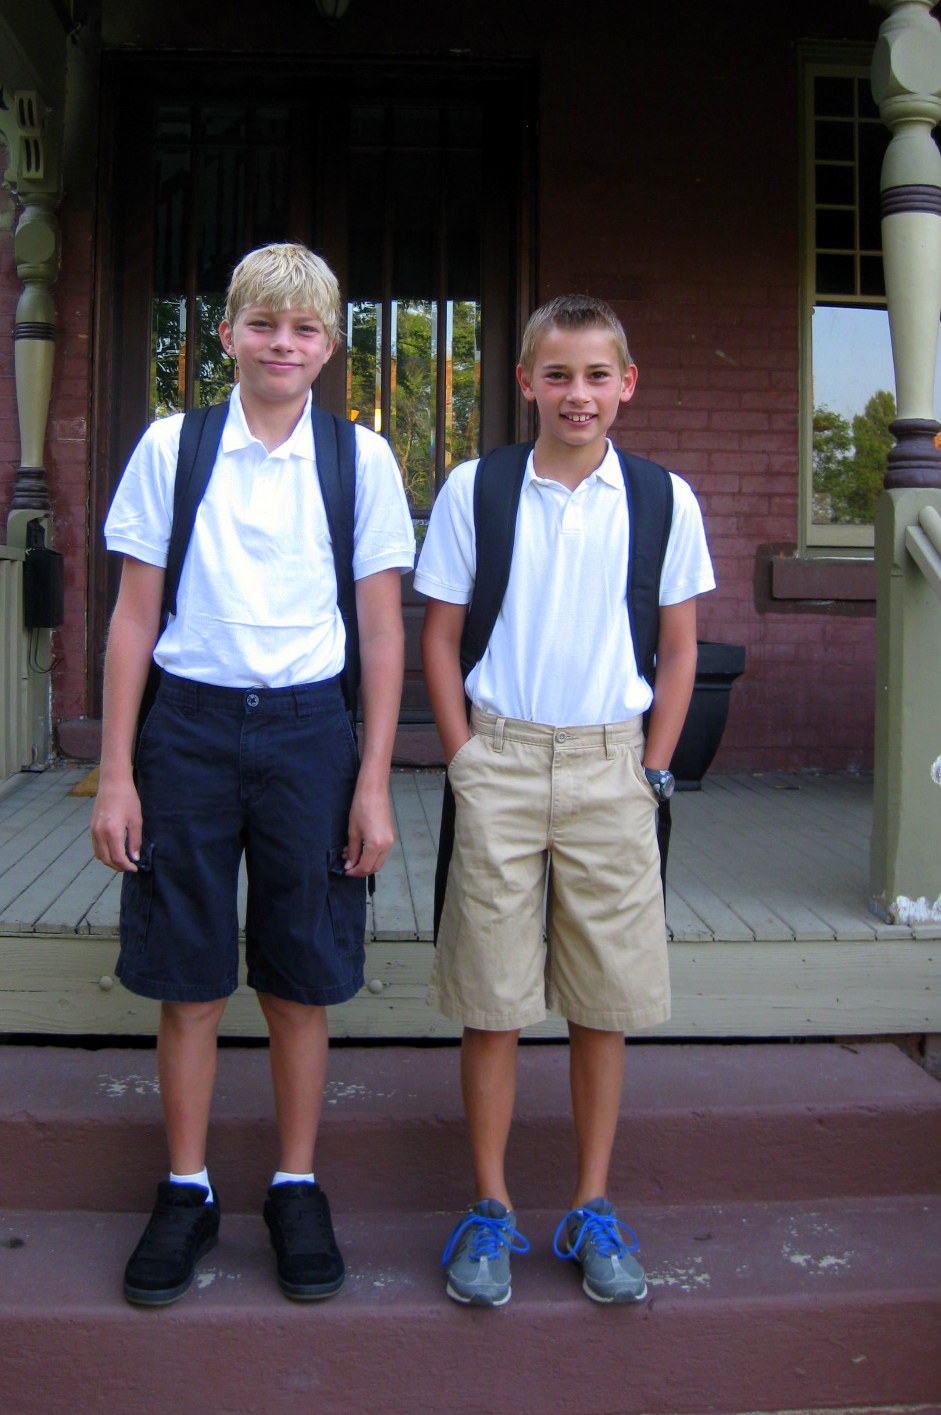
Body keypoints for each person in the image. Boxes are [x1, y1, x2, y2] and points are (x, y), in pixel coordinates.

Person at [91, 242, 415, 1307]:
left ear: (330, 346)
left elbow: (378, 628)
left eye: (306, 328)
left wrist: (372, 778)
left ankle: (293, 1181)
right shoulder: (173, 448)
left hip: (309, 738)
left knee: (299, 971)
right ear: (224, 333)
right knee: (188, 975)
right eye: (263, 324)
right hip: (185, 730)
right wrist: (114, 771)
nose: (283, 343)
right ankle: (185, 1188)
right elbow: (136, 615)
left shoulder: (355, 460)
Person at [414, 294, 715, 1307]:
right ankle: (489, 1208)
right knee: (493, 999)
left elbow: (677, 649)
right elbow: (438, 636)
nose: (575, 393)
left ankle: (591, 1204)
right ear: (525, 383)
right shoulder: (478, 488)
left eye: (596, 375)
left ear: (625, 383)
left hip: (608, 766)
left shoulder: (663, 498)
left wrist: (651, 767)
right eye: (557, 373)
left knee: (602, 1000)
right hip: (498, 754)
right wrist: (463, 757)